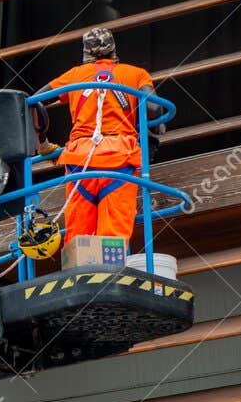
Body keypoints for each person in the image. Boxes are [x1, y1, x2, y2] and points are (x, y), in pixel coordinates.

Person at [36, 27, 155, 247]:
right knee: (114, 239)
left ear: (86, 53)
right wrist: (150, 133)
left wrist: (42, 144)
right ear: (113, 51)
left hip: (79, 161)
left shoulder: (74, 76)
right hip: (119, 158)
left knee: (79, 239)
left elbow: (33, 103)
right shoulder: (136, 74)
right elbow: (155, 108)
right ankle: (112, 276)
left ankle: (81, 273)